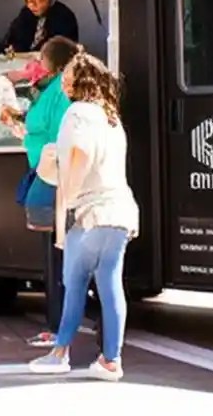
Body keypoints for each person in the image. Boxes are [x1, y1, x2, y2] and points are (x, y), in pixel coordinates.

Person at [29, 48, 138, 381]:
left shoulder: (77, 113)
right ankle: (111, 360)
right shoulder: (111, 118)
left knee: (73, 284)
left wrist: (70, 198)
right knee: (110, 284)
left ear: (79, 81)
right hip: (120, 212)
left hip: (90, 211)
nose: (63, 80)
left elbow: (80, 153)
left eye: (67, 76)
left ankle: (60, 353)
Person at [0, 36, 76, 348]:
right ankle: (56, 325)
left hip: (56, 179)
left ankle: (59, 328)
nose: (38, 65)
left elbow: (47, 126)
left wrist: (16, 118)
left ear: (53, 62)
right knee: (54, 254)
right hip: (51, 173)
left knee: (57, 255)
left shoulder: (58, 90)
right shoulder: (54, 88)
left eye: (41, 59)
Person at [3, 0, 79, 54]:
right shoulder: (26, 13)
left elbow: (57, 51)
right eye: (27, 0)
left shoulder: (64, 17)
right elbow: (13, 37)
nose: (31, 4)